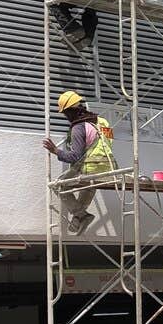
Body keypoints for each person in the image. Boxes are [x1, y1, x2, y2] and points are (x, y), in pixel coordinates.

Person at [43, 90, 117, 235]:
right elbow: (109, 143)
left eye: (65, 113)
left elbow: (74, 157)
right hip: (107, 168)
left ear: (70, 111)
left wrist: (55, 150)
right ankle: (79, 218)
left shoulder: (78, 127)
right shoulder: (104, 122)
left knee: (60, 185)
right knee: (89, 186)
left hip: (90, 169)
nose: (66, 117)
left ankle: (82, 215)